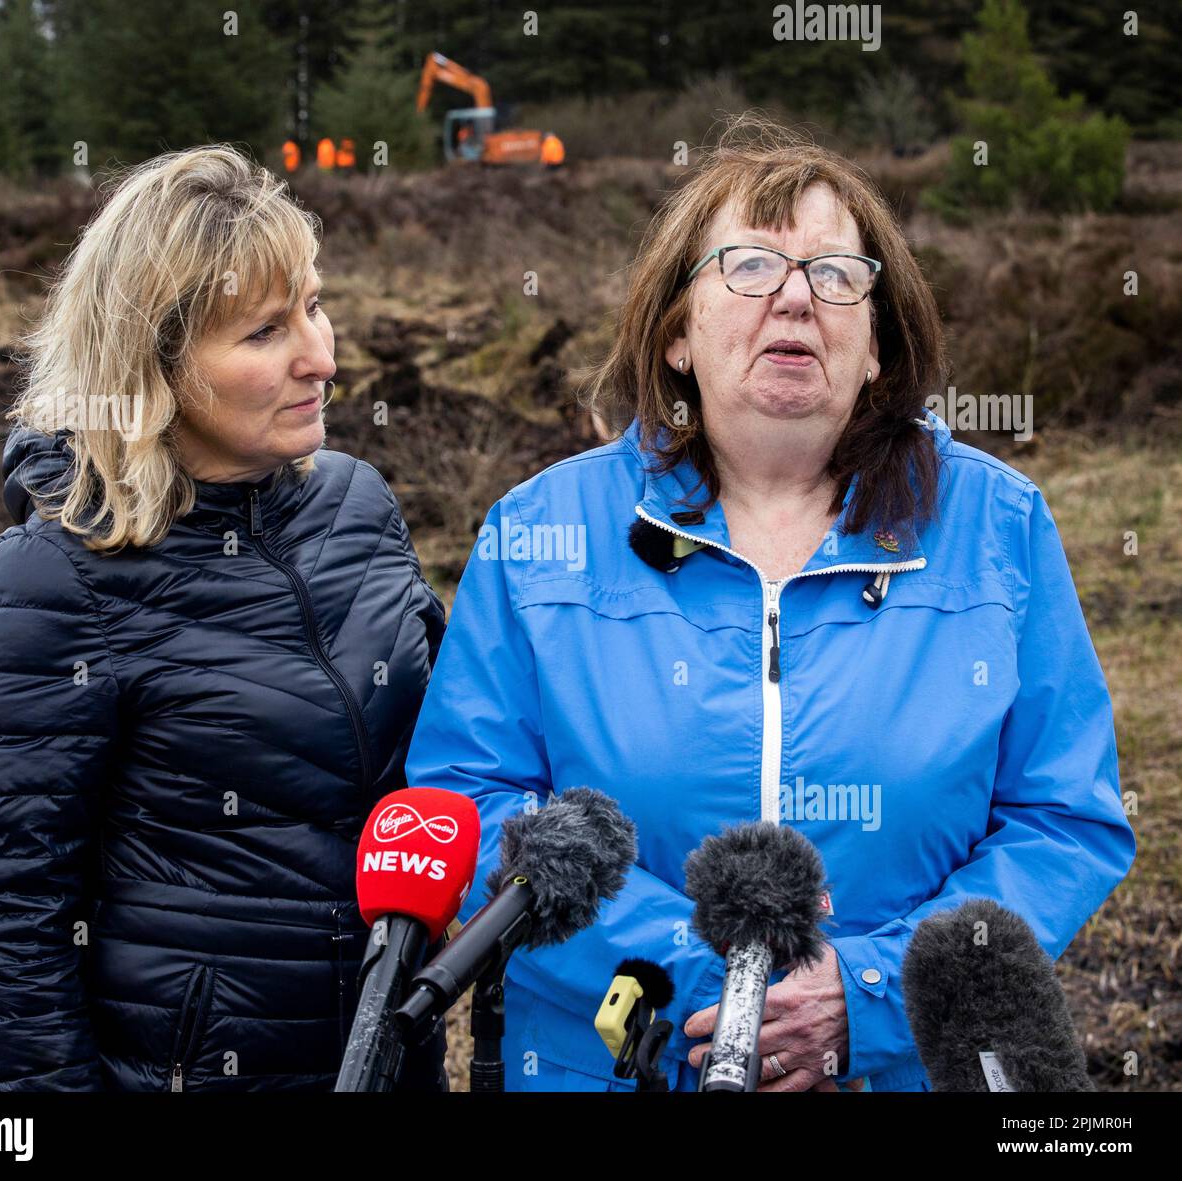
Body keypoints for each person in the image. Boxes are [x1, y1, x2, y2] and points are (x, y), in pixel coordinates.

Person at [404, 116, 1136, 1092]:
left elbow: (1062, 817)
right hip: (609, 1063)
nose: (795, 296)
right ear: (674, 333)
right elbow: (468, 800)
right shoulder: (543, 533)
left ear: (876, 344)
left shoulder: (997, 526)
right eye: (748, 267)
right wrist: (711, 981)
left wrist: (866, 994)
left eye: (836, 275)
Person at [0, 145, 447, 1091]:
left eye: (314, 303)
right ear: (155, 364)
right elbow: (9, 915)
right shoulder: (58, 577)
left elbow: (447, 754)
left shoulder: (359, 503)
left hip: (387, 1052)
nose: (322, 357)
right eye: (264, 332)